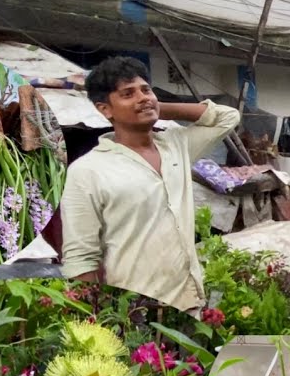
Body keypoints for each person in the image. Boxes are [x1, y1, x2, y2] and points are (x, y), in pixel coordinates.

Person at [62, 56, 241, 313]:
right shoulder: (87, 171)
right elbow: (80, 259)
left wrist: (153, 107)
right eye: (127, 93)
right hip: (134, 309)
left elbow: (227, 116)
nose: (142, 97)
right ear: (105, 109)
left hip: (190, 303)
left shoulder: (176, 145)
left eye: (146, 90)